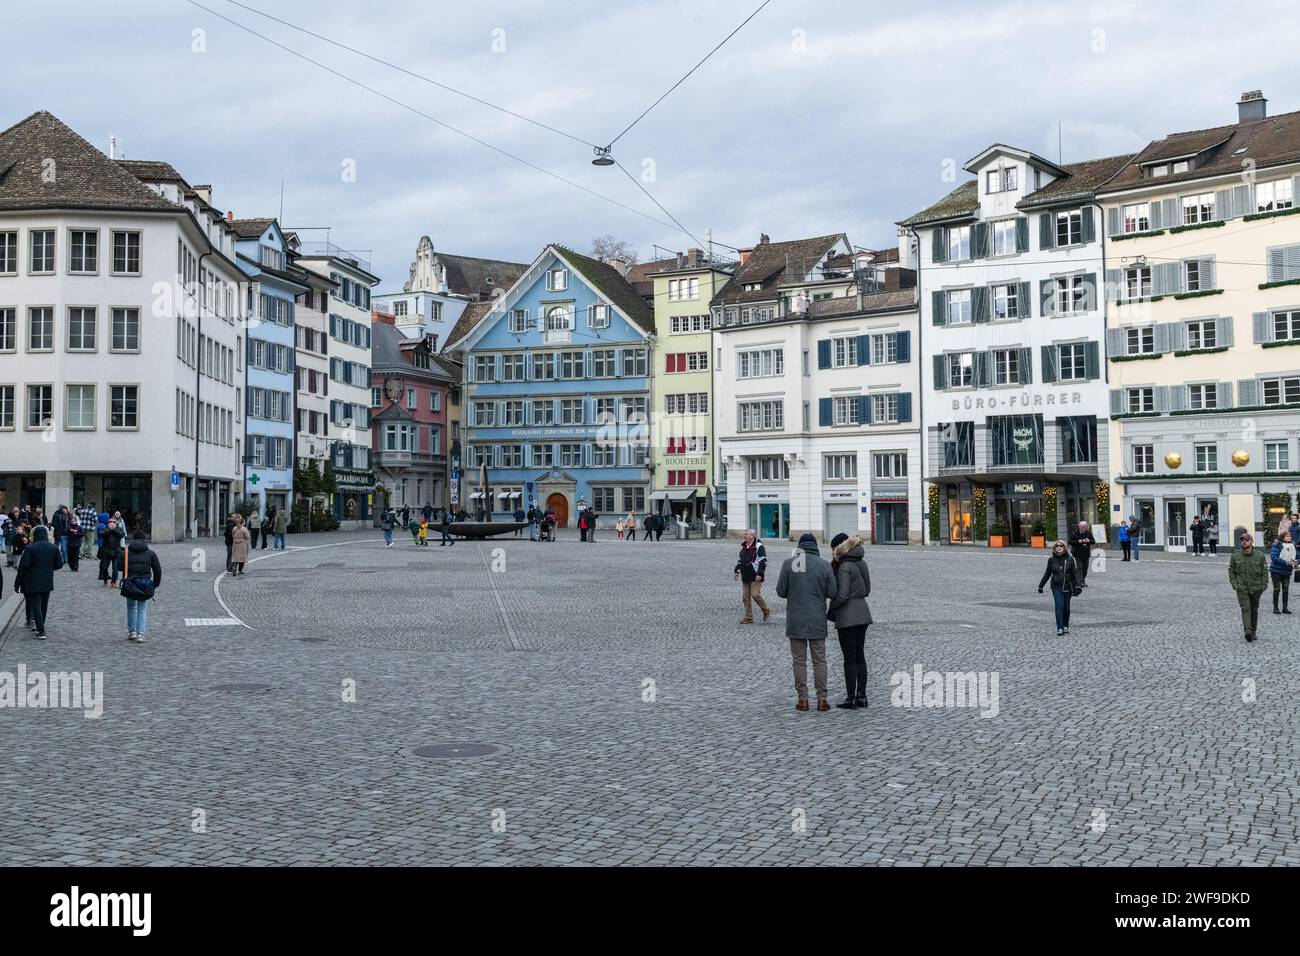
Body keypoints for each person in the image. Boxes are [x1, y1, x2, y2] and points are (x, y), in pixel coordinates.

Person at [776, 534, 838, 712]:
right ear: (816, 547)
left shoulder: (789, 564)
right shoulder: (824, 565)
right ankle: (822, 699)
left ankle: (802, 699)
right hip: (817, 619)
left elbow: (781, 591)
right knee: (819, 660)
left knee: (799, 661)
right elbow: (832, 592)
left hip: (796, 619)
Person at [828, 533, 871, 709]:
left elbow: (843, 595)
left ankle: (850, 698)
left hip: (848, 616)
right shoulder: (862, 561)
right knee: (860, 656)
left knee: (849, 659)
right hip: (863, 612)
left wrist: (832, 608)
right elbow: (867, 589)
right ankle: (862, 696)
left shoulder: (845, 566)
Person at [15, 525, 62, 639]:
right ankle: (41, 625)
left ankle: (40, 629)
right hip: (47, 580)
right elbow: (59, 564)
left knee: (36, 604)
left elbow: (23, 567)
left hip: (32, 580)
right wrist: (49, 568)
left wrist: (18, 582)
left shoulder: (30, 548)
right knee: (44, 605)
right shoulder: (53, 548)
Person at [116, 531, 162, 644]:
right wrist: (155, 584)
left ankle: (132, 632)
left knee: (131, 606)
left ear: (133, 539)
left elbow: (119, 567)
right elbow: (158, 571)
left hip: (130, 584)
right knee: (142, 608)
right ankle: (141, 634)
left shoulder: (126, 552)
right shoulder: (151, 553)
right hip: (144, 584)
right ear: (144, 540)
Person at [1230, 533, 1268, 642]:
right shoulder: (1235, 556)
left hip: (1256, 588)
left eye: (1246, 540)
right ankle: (1248, 631)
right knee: (1246, 608)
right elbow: (1231, 570)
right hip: (1242, 588)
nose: (1244, 542)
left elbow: (1264, 572)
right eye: (1242, 540)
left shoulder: (1260, 556)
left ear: (1251, 541)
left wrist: (1263, 586)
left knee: (1254, 610)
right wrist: (1235, 584)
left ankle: (1254, 631)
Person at [1038, 540, 1081, 636]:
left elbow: (1075, 573)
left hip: (1068, 586)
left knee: (1066, 608)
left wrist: (1078, 585)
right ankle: (1060, 627)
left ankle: (1065, 625)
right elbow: (1047, 573)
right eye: (1057, 546)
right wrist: (1041, 586)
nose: (1059, 547)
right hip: (1056, 586)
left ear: (1064, 547)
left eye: (1061, 546)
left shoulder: (1070, 559)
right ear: (1054, 548)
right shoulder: (1051, 560)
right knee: (1059, 606)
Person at [733, 529, 770, 625]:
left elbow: (763, 561)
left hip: (756, 575)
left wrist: (760, 574)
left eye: (746, 534)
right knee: (745, 597)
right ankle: (748, 617)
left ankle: (766, 610)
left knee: (755, 594)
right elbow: (740, 560)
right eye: (744, 534)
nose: (744, 536)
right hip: (746, 575)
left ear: (752, 536)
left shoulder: (759, 546)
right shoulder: (744, 546)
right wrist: (737, 570)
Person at [1269, 530, 1296, 615]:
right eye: (1287, 536)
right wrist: (1285, 562)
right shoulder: (1277, 545)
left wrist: (1296, 562)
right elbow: (1274, 557)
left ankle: (1285, 608)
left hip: (1287, 571)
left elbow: (1297, 556)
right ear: (1283, 537)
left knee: (1285, 590)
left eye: (1290, 536)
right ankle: (1275, 608)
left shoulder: (1292, 545)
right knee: (1276, 589)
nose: (1289, 537)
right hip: (1276, 570)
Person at [1068, 521, 1096, 587]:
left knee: (1085, 568)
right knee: (1079, 568)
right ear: (1079, 526)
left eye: (1085, 527)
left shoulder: (1088, 533)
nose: (1083, 528)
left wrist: (1089, 541)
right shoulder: (1074, 533)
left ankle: (1082, 580)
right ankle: (1079, 582)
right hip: (1076, 553)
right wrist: (1078, 541)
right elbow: (1069, 541)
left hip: (1086, 553)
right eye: (1082, 527)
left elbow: (1093, 541)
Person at [98, 518, 124, 588]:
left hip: (116, 552)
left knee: (115, 568)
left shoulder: (119, 529)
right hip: (106, 552)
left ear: (116, 524)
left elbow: (121, 535)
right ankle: (105, 580)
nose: (112, 523)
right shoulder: (105, 528)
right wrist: (110, 529)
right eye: (110, 522)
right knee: (104, 568)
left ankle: (113, 582)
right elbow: (101, 534)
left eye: (113, 522)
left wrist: (114, 529)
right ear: (108, 523)